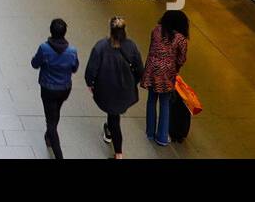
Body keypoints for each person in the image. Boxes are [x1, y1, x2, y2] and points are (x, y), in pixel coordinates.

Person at [85, 16, 144, 159]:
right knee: (113, 113)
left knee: (114, 118)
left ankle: (118, 153)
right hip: (124, 90)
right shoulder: (131, 46)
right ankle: (109, 131)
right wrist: (131, 83)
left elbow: (91, 70)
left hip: (106, 89)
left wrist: (91, 84)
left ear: (110, 30)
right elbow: (140, 70)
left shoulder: (101, 47)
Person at [141, 9, 190, 146]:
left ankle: (150, 132)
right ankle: (162, 137)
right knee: (165, 103)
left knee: (151, 100)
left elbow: (152, 48)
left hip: (152, 69)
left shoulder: (156, 30)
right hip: (167, 73)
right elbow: (181, 59)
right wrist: (176, 70)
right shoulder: (181, 39)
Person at [31, 18, 78, 159]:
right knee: (56, 111)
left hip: (48, 88)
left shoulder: (44, 48)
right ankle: (48, 135)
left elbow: (34, 63)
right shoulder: (72, 51)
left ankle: (58, 154)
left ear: (51, 31)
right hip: (64, 89)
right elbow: (75, 68)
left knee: (50, 121)